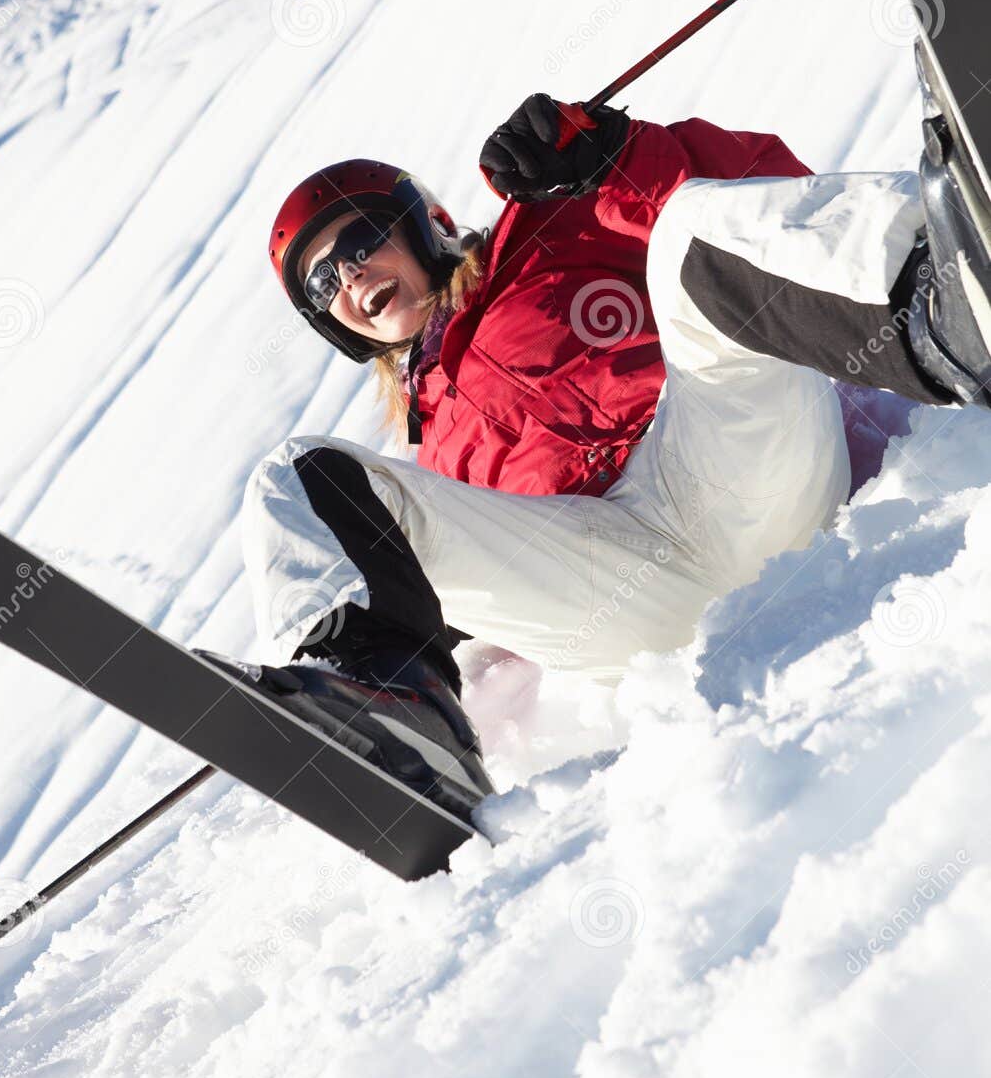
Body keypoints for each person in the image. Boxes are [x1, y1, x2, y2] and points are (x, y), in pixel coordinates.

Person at [213, 47, 991, 809]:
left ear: (426, 226)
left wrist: (612, 157)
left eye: (357, 241)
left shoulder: (550, 224)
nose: (347, 274)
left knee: (689, 229)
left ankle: (949, 310)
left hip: (730, 467)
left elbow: (770, 193)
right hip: (615, 594)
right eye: (323, 280)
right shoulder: (422, 460)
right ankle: (391, 714)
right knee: (303, 472)